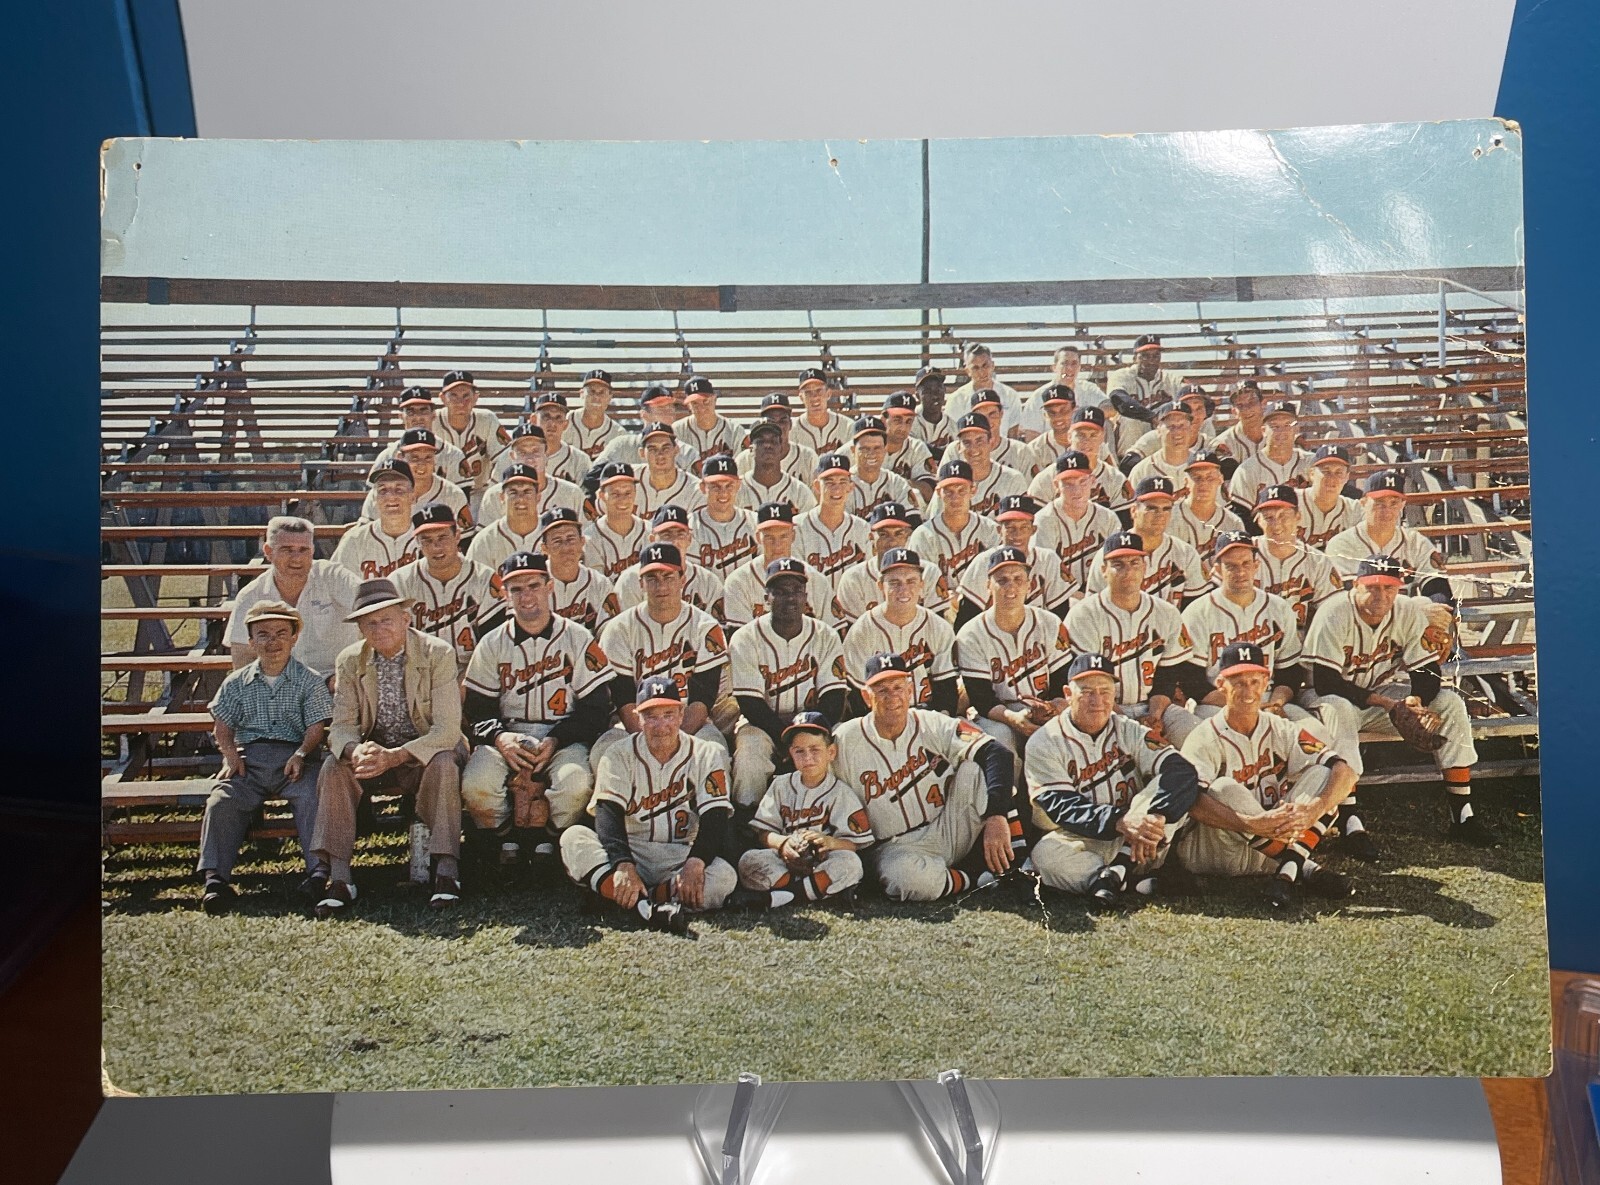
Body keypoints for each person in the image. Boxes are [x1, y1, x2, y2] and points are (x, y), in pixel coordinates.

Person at [1303, 555, 1494, 849]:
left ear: (1399, 589)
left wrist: (1415, 700)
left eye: (1389, 588)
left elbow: (1427, 670)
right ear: (1357, 585)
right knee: (1340, 711)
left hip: (1377, 696)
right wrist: (1388, 704)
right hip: (1323, 698)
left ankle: (1462, 815)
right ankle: (1350, 823)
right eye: (1373, 587)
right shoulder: (1334, 611)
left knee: (1450, 703)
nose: (1381, 595)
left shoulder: (1406, 610)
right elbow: (1326, 682)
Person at [310, 579, 466, 916]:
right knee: (334, 766)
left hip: (424, 753)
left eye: (386, 619)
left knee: (444, 762)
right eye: (370, 623)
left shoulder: (438, 653)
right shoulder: (350, 660)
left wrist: (395, 756)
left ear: (406, 619)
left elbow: (447, 730)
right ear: (360, 628)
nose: (379, 629)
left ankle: (446, 871)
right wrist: (355, 751)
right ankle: (339, 877)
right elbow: (341, 726)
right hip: (375, 755)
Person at [1176, 642, 1358, 910]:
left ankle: (1287, 872)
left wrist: (1315, 809)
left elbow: (1346, 772)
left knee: (1325, 773)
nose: (1248, 691)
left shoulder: (1281, 727)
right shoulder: (1203, 736)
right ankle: (1303, 866)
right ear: (1221, 685)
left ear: (1265, 682)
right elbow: (1192, 803)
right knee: (1224, 788)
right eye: (1238, 683)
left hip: (1270, 845)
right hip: (1218, 850)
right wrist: (1252, 823)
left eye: (1254, 681)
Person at [461, 552, 614, 866]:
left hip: (563, 734)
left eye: (533, 585)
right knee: (477, 783)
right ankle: (506, 837)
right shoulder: (492, 642)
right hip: (508, 734)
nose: (526, 596)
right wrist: (500, 738)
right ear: (506, 595)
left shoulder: (578, 637)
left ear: (550, 586)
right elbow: (477, 709)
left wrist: (557, 739)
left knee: (574, 785)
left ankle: (548, 837)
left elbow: (596, 708)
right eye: (516, 589)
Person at [833, 654, 1021, 901]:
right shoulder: (845, 739)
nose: (892, 697)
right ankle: (973, 876)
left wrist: (997, 815)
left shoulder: (930, 722)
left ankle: (1018, 865)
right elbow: (821, 784)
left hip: (948, 825)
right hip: (895, 847)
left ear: (910, 690)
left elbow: (996, 753)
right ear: (867, 697)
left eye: (898, 687)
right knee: (907, 879)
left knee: (977, 768)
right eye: (882, 690)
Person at [559, 675, 738, 933]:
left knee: (724, 876)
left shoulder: (705, 752)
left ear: (681, 714)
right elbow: (607, 814)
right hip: (632, 850)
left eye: (668, 714)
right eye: (651, 716)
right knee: (573, 838)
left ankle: (628, 898)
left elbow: (716, 814)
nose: (661, 725)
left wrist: (696, 861)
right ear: (638, 718)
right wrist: (623, 864)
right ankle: (652, 904)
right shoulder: (618, 753)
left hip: (678, 854)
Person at [1023, 653, 1201, 906]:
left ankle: (1115, 874)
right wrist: (1120, 821)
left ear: (1114, 695)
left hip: (1143, 833)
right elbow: (1063, 807)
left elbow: (1181, 771)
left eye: (1105, 691)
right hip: (1083, 837)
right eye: (1087, 692)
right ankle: (1128, 879)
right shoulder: (1044, 741)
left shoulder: (1129, 729)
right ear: (1068, 694)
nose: (1097, 701)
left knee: (1163, 788)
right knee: (1045, 855)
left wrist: (1156, 816)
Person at [198, 601, 334, 914]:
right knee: (222, 800)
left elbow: (316, 727)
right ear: (251, 641)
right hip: (249, 760)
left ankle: (318, 874)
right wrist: (230, 756)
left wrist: (301, 753)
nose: (273, 642)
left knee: (314, 795)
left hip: (296, 760)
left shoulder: (309, 679)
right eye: (263, 635)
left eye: (281, 633)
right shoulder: (236, 682)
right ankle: (215, 881)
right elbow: (222, 726)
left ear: (294, 637)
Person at [593, 542, 730, 765]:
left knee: (715, 753)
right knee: (603, 754)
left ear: (682, 580)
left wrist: (674, 742)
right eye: (652, 578)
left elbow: (702, 700)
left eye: (668, 577)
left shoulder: (705, 627)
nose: (661, 586)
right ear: (641, 583)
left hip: (691, 723)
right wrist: (650, 742)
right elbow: (624, 699)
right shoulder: (618, 629)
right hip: (634, 724)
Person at [727, 560, 848, 807]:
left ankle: (835, 811)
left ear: (805, 597)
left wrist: (805, 736)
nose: (790, 598)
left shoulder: (826, 635)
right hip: (761, 723)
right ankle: (746, 817)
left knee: (841, 746)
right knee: (750, 754)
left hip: (816, 721)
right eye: (780, 592)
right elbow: (750, 704)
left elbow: (834, 698)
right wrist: (788, 739)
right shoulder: (745, 638)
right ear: (766, 599)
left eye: (796, 591)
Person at [1064, 532, 1203, 747]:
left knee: (1195, 734)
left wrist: (1154, 717)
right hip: (1102, 709)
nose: (1128, 571)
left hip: (1153, 707)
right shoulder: (1083, 615)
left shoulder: (1166, 613)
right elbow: (1089, 684)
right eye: (1118, 565)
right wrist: (1132, 725)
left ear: (1145, 567)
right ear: (1103, 570)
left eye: (1134, 563)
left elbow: (1167, 676)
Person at [732, 713, 873, 910]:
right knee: (749, 861)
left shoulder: (841, 792)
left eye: (815, 749)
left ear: (831, 752)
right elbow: (764, 834)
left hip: (822, 862)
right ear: (791, 753)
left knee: (850, 863)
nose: (807, 758)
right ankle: (814, 892)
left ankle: (783, 896)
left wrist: (829, 842)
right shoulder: (781, 785)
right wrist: (783, 844)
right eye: (799, 751)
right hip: (785, 862)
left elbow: (853, 844)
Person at [955, 547, 1074, 764]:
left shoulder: (1050, 623)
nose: (1011, 586)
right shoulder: (971, 633)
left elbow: (1063, 680)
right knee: (1001, 738)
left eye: (1018, 579)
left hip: (1045, 707)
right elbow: (982, 698)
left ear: (1029, 585)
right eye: (1002, 580)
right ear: (988, 586)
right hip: (998, 714)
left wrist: (1053, 708)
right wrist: (1013, 719)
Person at [1179, 533, 1308, 720]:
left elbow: (1290, 672)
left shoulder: (1278, 607)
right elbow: (1192, 683)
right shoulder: (1197, 612)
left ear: (1256, 565)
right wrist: (1250, 708)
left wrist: (1276, 704)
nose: (1240, 572)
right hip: (1217, 703)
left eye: (1246, 564)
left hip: (1268, 699)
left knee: (1315, 731)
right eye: (1231, 566)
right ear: (1217, 569)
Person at [226, 515, 360, 677]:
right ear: (268, 552)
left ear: (312, 551)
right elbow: (243, 658)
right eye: (287, 549)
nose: (296, 558)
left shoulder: (334, 576)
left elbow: (371, 610)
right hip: (281, 684)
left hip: (336, 679)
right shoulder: (251, 595)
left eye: (304, 550)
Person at [393, 502, 506, 675]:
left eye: (442, 537)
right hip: (419, 673)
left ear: (457, 536)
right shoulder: (400, 581)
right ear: (417, 543)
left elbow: (495, 644)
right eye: (427, 540)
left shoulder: (485, 579)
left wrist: (468, 680)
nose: (436, 547)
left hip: (475, 673)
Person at [842, 547, 958, 714]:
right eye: (894, 583)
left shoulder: (938, 627)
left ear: (922, 585)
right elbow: (858, 698)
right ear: (880, 586)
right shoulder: (862, 631)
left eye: (911, 581)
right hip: (878, 720)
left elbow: (946, 692)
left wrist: (937, 723)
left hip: (929, 717)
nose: (903, 589)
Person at [1324, 470, 1453, 601]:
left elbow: (1439, 589)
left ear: (1402, 504)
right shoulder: (1341, 544)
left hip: (1407, 612)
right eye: (1379, 503)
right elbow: (1349, 599)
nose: (1387, 511)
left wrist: (1434, 607)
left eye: (1394, 503)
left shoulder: (1416, 542)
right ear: (1363, 503)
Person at [1084, 477, 1207, 609]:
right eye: (1151, 508)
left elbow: (1194, 608)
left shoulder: (1185, 553)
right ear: (1133, 511)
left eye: (1166, 509)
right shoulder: (1109, 555)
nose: (1160, 515)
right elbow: (1093, 608)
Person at [954, 495, 1073, 627]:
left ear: (1033, 530)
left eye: (1024, 527)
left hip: (1037, 633)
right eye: (1010, 528)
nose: (1017, 534)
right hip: (993, 633)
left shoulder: (1048, 559)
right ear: (999, 530)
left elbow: (1061, 615)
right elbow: (966, 618)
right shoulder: (983, 561)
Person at [722, 501, 836, 630]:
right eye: (769, 537)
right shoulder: (738, 581)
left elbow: (831, 631)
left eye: (783, 536)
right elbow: (741, 637)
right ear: (758, 538)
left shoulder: (816, 580)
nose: (777, 545)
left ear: (793, 536)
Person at [833, 502, 949, 626]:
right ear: (871, 537)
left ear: (907, 536)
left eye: (898, 533)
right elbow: (853, 632)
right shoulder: (853, 578)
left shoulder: (929, 572)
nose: (892, 542)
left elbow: (936, 625)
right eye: (884, 534)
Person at [1252, 485, 1347, 635]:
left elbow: (1334, 612)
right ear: (1259, 521)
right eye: (1269, 517)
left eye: (1283, 516)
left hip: (1299, 642)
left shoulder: (1318, 561)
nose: (1276, 524)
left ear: (1298, 516)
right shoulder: (1243, 555)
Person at [1029, 451, 1124, 596]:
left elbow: (1118, 566)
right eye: (1068, 484)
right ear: (1056, 485)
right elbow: (1044, 574)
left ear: (1093, 481)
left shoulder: (1108, 518)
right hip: (1058, 598)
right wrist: (1080, 600)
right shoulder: (1043, 521)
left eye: (1083, 482)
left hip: (1101, 595)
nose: (1077, 490)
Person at [613, 504, 726, 622]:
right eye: (666, 535)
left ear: (689, 539)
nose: (674, 541)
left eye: (680, 534)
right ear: (652, 539)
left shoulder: (708, 581)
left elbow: (716, 627)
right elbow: (624, 626)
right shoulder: (630, 580)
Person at [908, 459, 1001, 593]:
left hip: (981, 601)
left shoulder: (991, 530)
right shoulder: (923, 535)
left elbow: (999, 579)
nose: (955, 498)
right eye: (949, 491)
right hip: (939, 603)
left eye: (961, 491)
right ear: (938, 492)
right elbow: (920, 585)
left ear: (973, 490)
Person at [1026, 407, 1134, 517]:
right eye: (1081, 435)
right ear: (1069, 436)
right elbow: (1033, 523)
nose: (1086, 441)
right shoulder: (1046, 478)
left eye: (1093, 435)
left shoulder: (1115, 478)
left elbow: (1123, 524)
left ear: (1102, 437)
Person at [360, 427, 472, 532]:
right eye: (414, 458)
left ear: (435, 460)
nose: (421, 464)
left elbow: (464, 539)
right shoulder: (381, 493)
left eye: (428, 457)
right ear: (400, 457)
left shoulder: (454, 495)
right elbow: (366, 535)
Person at [531, 507, 621, 634]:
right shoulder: (531, 586)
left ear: (582, 541)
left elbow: (609, 634)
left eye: (571, 539)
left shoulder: (600, 584)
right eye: (557, 541)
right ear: (544, 548)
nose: (566, 547)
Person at [476, 425, 585, 526]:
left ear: (546, 454)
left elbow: (584, 534)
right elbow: (486, 538)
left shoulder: (572, 493)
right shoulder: (494, 495)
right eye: (522, 452)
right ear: (512, 456)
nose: (529, 459)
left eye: (535, 451)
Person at [331, 458, 419, 580]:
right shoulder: (354, 540)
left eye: (399, 490)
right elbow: (335, 585)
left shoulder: (429, 538)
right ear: (374, 498)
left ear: (413, 497)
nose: (391, 496)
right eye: (383, 490)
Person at [433, 370, 510, 507]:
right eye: (453, 396)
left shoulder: (487, 419)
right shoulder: (432, 421)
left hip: (479, 493)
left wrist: (493, 489)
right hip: (440, 494)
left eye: (466, 396)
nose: (460, 402)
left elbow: (506, 458)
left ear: (475, 397)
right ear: (443, 398)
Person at [793, 453, 871, 586]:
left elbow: (867, 577)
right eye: (829, 482)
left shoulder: (862, 528)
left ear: (851, 487)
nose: (837, 489)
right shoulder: (797, 527)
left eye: (842, 482)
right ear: (817, 486)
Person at [934, 408, 1027, 516]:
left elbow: (1021, 524)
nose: (974, 449)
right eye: (967, 442)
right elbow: (935, 521)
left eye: (979, 441)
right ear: (959, 447)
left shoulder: (1013, 479)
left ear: (990, 443)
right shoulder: (948, 482)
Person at [1226, 401, 1313, 515]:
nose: (1281, 431)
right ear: (1263, 431)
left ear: (1296, 429)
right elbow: (1241, 516)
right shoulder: (1247, 470)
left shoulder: (1311, 463)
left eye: (1287, 425)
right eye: (1274, 426)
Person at [373, 386, 468, 488]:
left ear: (433, 415)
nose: (418, 417)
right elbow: (376, 494)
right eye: (410, 412)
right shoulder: (387, 456)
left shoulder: (453, 455)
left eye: (423, 411)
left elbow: (463, 496)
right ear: (401, 417)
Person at [467, 463, 552, 571]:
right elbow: (475, 580)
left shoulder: (553, 533)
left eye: (527, 492)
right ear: (502, 497)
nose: (520, 499)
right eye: (513, 492)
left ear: (538, 497)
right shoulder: (484, 541)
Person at [595, 382, 697, 470]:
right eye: (662, 408)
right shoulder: (622, 446)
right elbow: (592, 477)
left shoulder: (686, 452)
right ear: (644, 414)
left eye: (671, 407)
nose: (669, 413)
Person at [1168, 451, 1246, 562]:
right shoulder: (1169, 518)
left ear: (1220, 479)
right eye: (1197, 478)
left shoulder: (1233, 522)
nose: (1203, 483)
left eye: (1210, 478)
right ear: (1186, 482)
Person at [689, 454, 759, 578]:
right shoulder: (690, 526)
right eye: (715, 486)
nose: (723, 493)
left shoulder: (755, 522)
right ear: (703, 487)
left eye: (729, 486)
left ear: (738, 485)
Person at [1015, 344, 1108, 437]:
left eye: (1074, 363)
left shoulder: (1088, 389)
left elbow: (1109, 407)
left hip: (1083, 442)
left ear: (1079, 367)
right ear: (1054, 367)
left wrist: (1081, 415)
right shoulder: (1039, 396)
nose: (1070, 368)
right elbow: (1032, 435)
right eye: (1064, 363)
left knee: (1107, 424)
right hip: (1052, 443)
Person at [581, 462, 650, 579]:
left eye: (628, 493)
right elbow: (597, 585)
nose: (623, 500)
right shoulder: (590, 538)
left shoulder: (650, 531)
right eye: (615, 494)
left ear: (635, 493)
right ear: (601, 495)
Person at [735, 417, 818, 513]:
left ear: (781, 449)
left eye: (773, 441)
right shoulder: (736, 490)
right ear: (751, 449)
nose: (768, 445)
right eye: (761, 441)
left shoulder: (800, 491)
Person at [733, 392, 819, 484]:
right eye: (771, 421)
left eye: (782, 421)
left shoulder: (807, 457)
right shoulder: (744, 459)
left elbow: (818, 491)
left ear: (790, 424)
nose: (778, 426)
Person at [847, 414, 920, 515]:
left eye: (877, 448)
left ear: (885, 450)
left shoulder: (896, 483)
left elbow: (913, 519)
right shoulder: (842, 484)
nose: (871, 453)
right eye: (865, 449)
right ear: (853, 450)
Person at [947, 343, 1025, 435]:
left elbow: (1012, 435)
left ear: (993, 365)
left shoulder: (1010, 396)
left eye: (985, 366)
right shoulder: (956, 400)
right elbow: (954, 436)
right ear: (967, 371)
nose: (982, 372)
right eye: (975, 368)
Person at [1126, 402, 1201, 495]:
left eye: (1182, 425)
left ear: (1191, 429)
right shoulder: (1142, 471)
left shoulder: (1203, 467)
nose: (1178, 431)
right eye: (1171, 426)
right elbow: (1132, 503)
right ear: (1158, 430)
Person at [1105, 333, 1186, 419]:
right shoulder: (1122, 375)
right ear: (1135, 358)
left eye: (1156, 356)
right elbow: (1118, 399)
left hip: (1160, 425)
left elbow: (1191, 396)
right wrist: (1150, 417)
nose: (1151, 361)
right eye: (1145, 356)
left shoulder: (1170, 379)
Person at [674, 374, 744, 471]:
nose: (701, 408)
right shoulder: (676, 431)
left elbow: (740, 469)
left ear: (714, 399)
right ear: (689, 406)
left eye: (705, 401)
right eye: (695, 403)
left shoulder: (734, 430)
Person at [1298, 444, 1362, 549]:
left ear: (1347, 477)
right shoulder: (1293, 502)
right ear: (1312, 474)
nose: (1332, 478)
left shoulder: (1355, 509)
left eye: (1339, 472)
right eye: (1326, 471)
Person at [636, 422, 702, 519]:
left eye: (666, 448)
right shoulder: (628, 478)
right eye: (652, 449)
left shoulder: (695, 490)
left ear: (676, 450)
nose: (660, 455)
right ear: (642, 453)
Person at [880, 391, 937, 501]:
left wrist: (896, 483)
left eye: (908, 421)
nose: (903, 427)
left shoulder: (917, 448)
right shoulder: (863, 446)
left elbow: (930, 492)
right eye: (897, 420)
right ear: (883, 419)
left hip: (905, 509)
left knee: (915, 494)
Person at [1015, 383, 1079, 478]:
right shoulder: (1033, 450)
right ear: (1045, 415)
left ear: (1075, 410)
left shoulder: (1091, 444)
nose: (1058, 417)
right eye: (1051, 412)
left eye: (1063, 410)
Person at [531, 392, 593, 485]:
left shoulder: (580, 459)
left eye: (558, 418)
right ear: (534, 420)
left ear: (565, 424)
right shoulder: (517, 456)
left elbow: (586, 493)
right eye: (546, 417)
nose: (552, 424)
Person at [790, 367, 854, 455]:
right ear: (801, 397)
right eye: (808, 392)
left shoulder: (848, 426)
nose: (814, 397)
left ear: (828, 394)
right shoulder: (791, 430)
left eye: (819, 390)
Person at [567, 368, 625, 459]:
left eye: (602, 392)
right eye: (592, 391)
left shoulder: (618, 434)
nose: (597, 397)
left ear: (610, 397)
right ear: (581, 394)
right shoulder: (564, 421)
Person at [1210, 380, 1268, 465]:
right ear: (1234, 412)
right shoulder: (1223, 443)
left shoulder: (1277, 436)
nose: (1247, 409)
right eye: (1240, 405)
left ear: (1263, 404)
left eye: (1251, 402)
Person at [908, 365, 958, 453]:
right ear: (918, 396)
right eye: (927, 391)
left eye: (938, 390)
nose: (935, 396)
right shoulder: (908, 422)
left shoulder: (953, 427)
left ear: (944, 391)